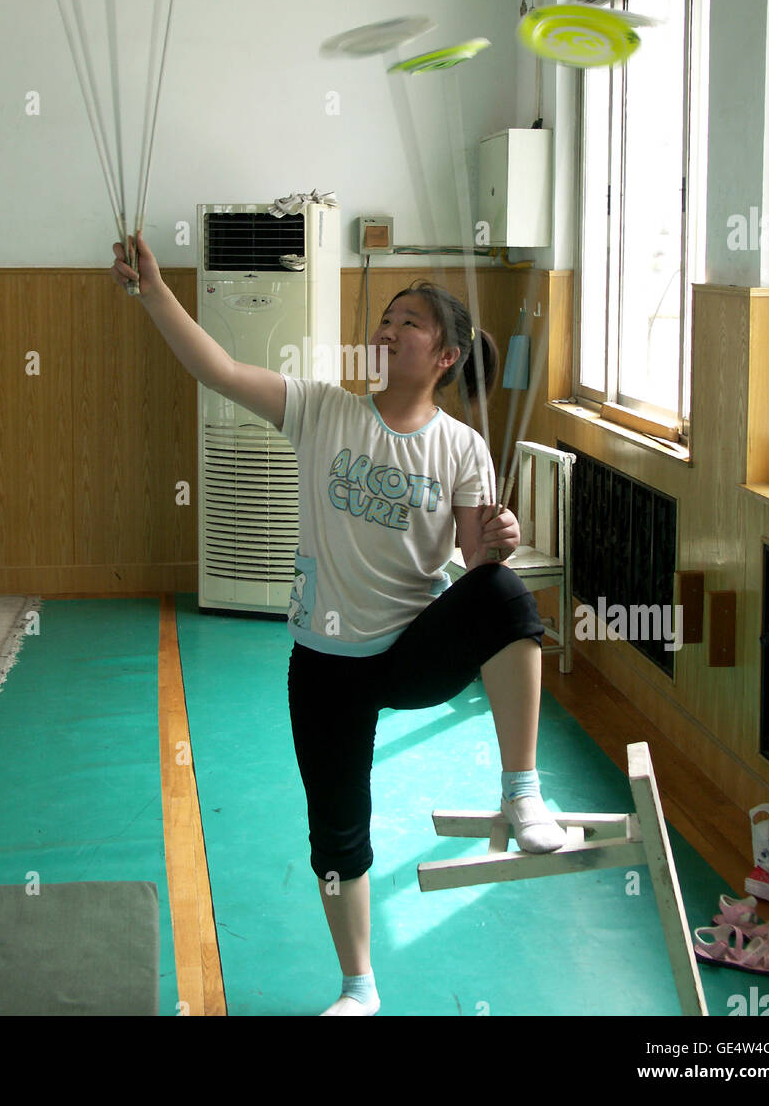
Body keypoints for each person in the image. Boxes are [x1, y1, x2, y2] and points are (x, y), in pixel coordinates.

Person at [111, 232, 566, 1017]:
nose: (388, 331)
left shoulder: (462, 448)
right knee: (336, 837)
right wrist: (152, 289)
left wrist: (498, 541)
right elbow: (216, 369)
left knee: (502, 596)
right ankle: (359, 988)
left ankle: (521, 792)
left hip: (408, 654)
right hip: (324, 663)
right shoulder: (321, 409)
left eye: (410, 323)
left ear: (446, 356)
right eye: (385, 319)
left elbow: (469, 556)